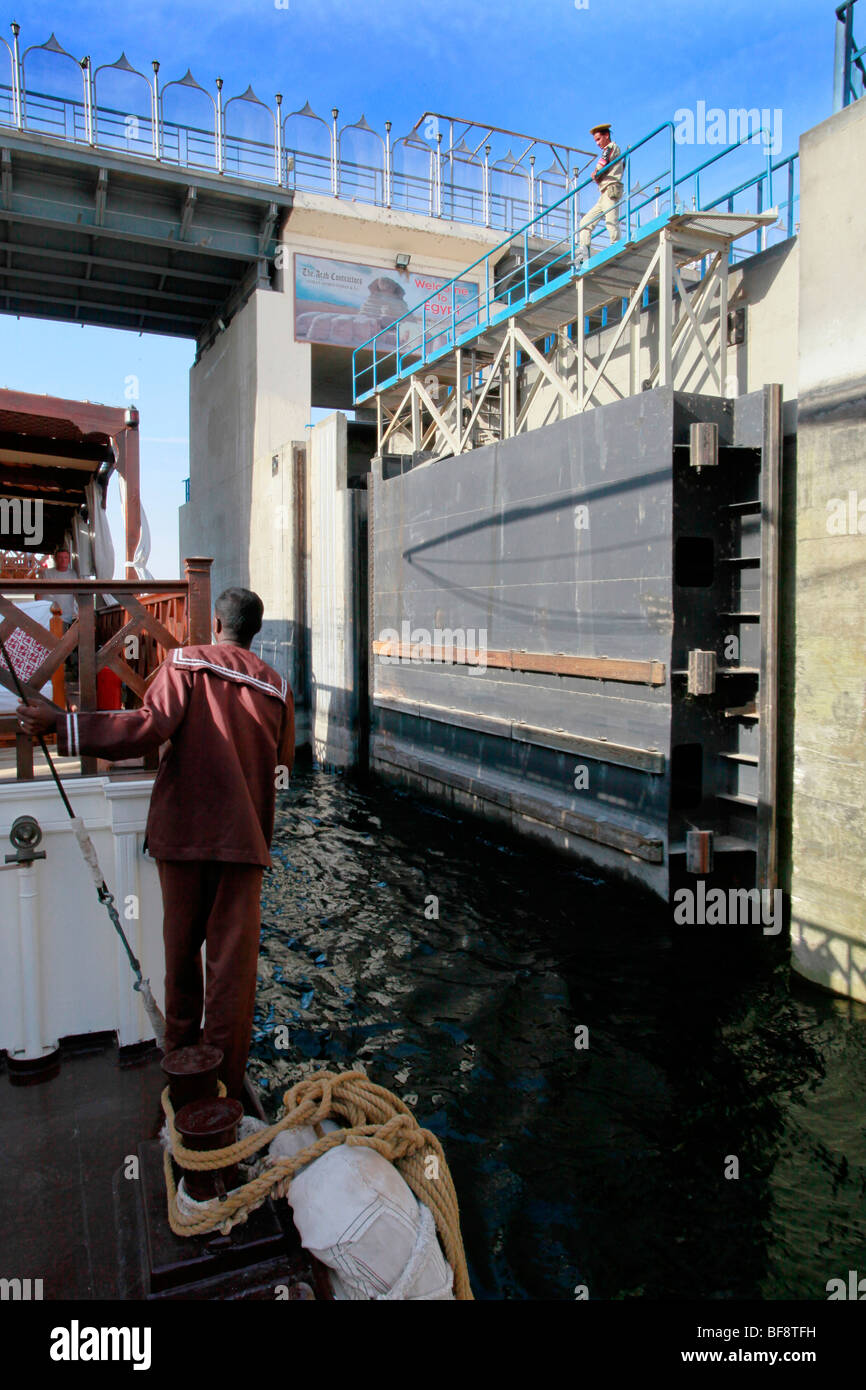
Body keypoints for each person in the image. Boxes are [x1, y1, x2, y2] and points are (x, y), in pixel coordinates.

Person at [17, 586, 295, 1100]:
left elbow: (146, 729)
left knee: (181, 958)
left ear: (215, 624)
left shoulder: (185, 664)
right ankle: (227, 1092)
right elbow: (281, 768)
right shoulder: (276, 686)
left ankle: (185, 1079)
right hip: (245, 848)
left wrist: (63, 726)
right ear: (254, 633)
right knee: (232, 977)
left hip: (183, 838)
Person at [578, 123, 625, 261]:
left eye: (598, 139)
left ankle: (616, 248)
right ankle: (583, 254)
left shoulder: (610, 147)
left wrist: (596, 172)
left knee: (611, 221)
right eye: (596, 141)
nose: (597, 143)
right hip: (604, 193)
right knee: (585, 222)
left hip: (610, 190)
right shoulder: (611, 150)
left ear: (607, 135)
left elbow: (603, 162)